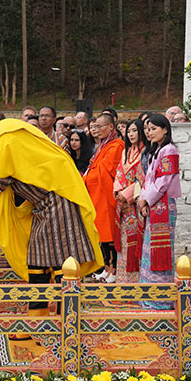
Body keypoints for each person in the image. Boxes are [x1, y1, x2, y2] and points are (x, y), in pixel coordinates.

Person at [0, 119, 103, 307]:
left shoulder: (5, 138)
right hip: (42, 205)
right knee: (37, 259)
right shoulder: (3, 133)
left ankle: (66, 320)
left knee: (64, 261)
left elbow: (0, 182)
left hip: (58, 201)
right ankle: (38, 316)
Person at [136, 114, 181, 304]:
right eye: (147, 129)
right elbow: (149, 179)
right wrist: (143, 199)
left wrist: (146, 200)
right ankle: (149, 293)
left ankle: (160, 298)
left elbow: (164, 181)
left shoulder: (170, 150)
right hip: (154, 203)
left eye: (154, 128)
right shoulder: (156, 150)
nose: (149, 132)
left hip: (163, 204)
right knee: (150, 249)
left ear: (165, 130)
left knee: (159, 249)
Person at [84, 113, 124, 282]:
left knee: (110, 235)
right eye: (95, 127)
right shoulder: (103, 145)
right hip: (98, 194)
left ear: (111, 127)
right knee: (102, 235)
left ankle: (113, 270)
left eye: (100, 126)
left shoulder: (116, 146)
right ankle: (106, 269)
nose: (97, 130)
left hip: (107, 195)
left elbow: (104, 170)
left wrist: (85, 179)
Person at [113, 119, 145, 283]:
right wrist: (118, 190)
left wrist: (126, 193)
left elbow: (142, 180)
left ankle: (135, 280)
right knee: (123, 240)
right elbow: (119, 173)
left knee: (134, 241)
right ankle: (122, 278)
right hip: (122, 204)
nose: (131, 134)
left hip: (135, 203)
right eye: (129, 131)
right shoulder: (125, 152)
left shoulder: (145, 153)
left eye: (135, 131)